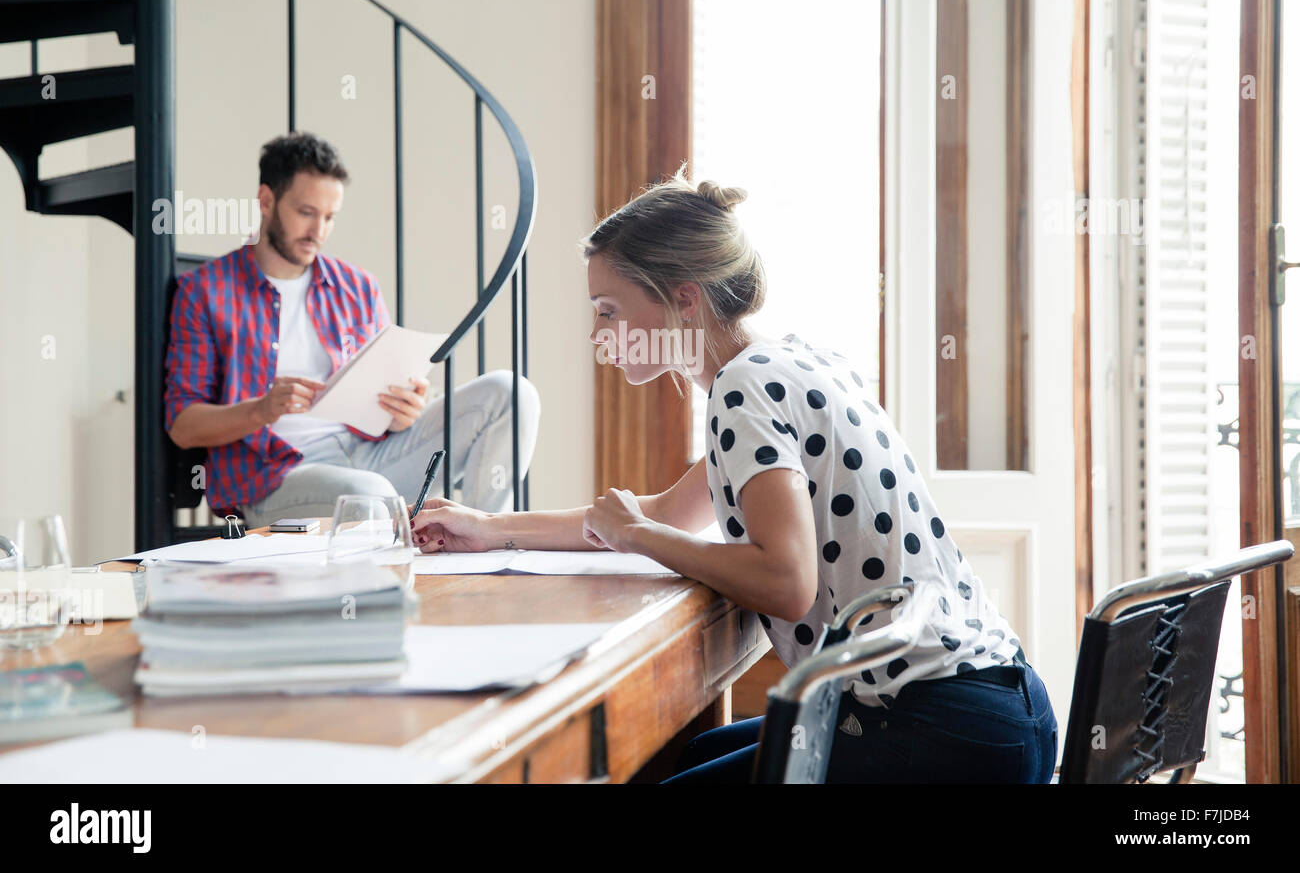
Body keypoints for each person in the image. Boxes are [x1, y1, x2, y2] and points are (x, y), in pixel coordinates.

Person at [409, 168, 1057, 783]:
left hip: (940, 720)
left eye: (608, 309)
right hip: (999, 703)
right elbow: (661, 515)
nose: (596, 332)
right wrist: (491, 527)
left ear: (683, 300)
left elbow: (785, 580)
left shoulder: (744, 389)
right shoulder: (787, 361)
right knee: (693, 752)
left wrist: (641, 537)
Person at [164, 131, 541, 529]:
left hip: (372, 457)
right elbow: (183, 425)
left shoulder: (356, 286)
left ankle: (485, 538)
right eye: (306, 212)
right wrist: (262, 409)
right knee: (369, 495)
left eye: (329, 217)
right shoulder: (206, 291)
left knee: (511, 393)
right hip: (277, 477)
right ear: (266, 201)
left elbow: (384, 400)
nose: (319, 231)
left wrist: (403, 415)